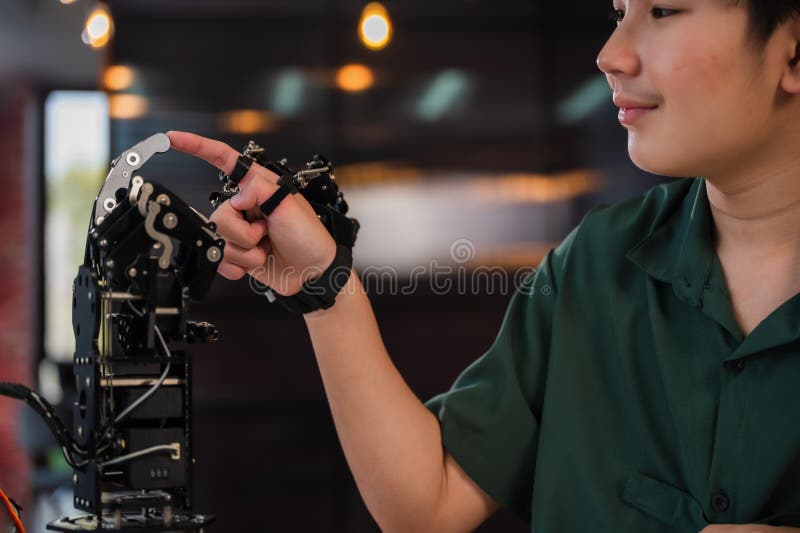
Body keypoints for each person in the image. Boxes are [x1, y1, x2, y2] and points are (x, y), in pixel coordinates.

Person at [167, 0, 800, 530]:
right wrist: (323, 287)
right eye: (619, 10)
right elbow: (429, 503)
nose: (611, 53)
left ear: (791, 47)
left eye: (662, 9)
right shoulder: (598, 263)